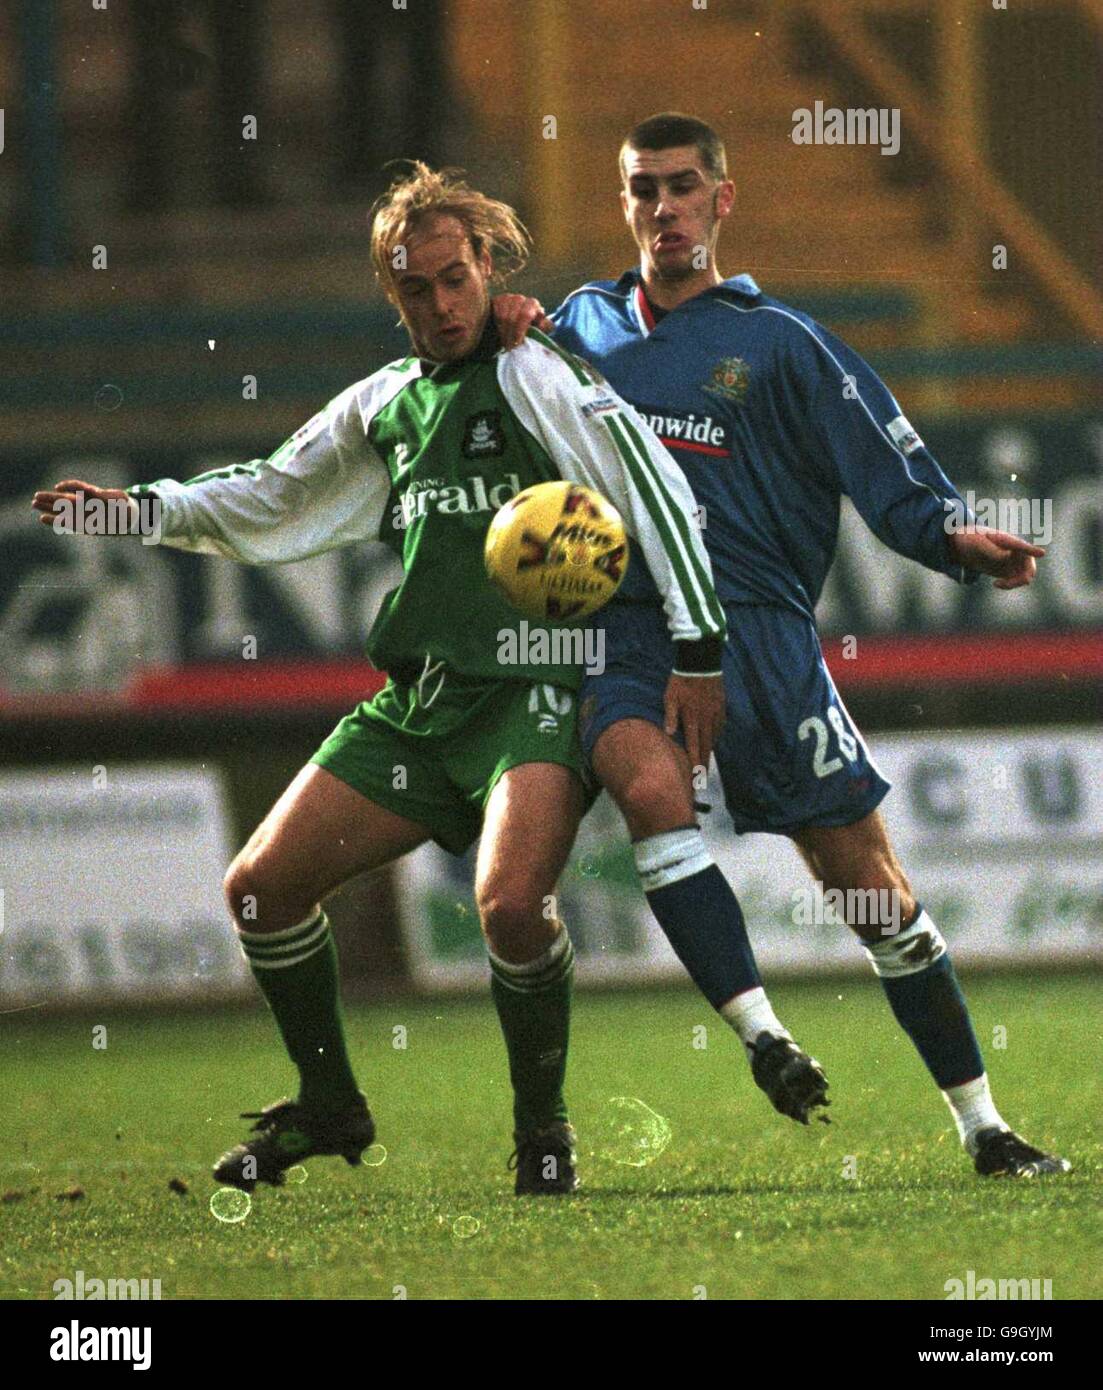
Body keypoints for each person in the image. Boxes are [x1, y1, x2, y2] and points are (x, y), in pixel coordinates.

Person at [31, 163, 727, 1196]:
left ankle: (542, 1130)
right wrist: (137, 511)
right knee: (260, 892)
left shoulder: (541, 369)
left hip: (535, 692)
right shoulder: (384, 404)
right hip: (423, 705)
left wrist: (696, 648)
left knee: (505, 908)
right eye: (418, 289)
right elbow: (269, 493)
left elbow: (652, 486)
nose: (443, 306)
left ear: (489, 266)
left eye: (458, 279)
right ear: (391, 292)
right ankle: (329, 1104)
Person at [492, 112, 1069, 1178]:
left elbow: (882, 465)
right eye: (640, 190)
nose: (661, 208)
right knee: (642, 784)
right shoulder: (576, 328)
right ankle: (766, 1036)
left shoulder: (779, 344)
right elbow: (497, 376)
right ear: (623, 206)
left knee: (871, 897)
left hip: (762, 645)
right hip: (634, 629)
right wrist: (506, 322)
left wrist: (948, 537)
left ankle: (982, 1125)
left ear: (722, 199)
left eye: (679, 187)